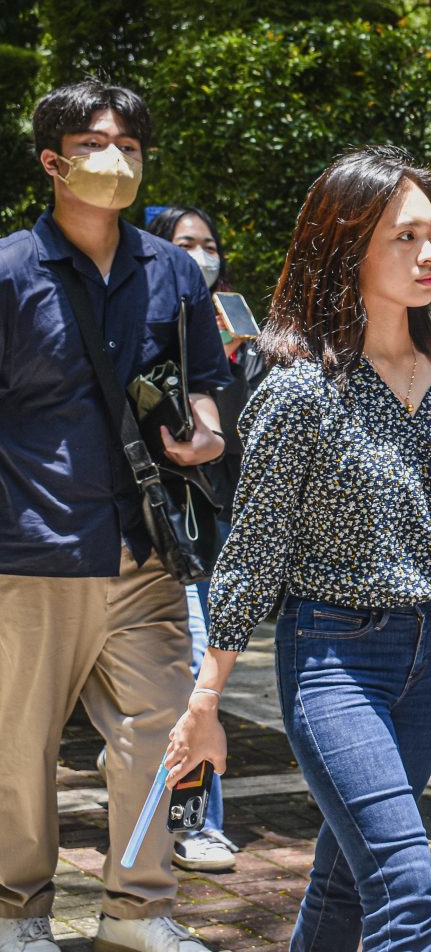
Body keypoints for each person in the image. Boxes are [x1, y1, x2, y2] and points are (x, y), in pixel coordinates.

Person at [161, 146, 431, 952]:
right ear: (349, 246)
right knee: (406, 894)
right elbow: (254, 551)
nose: (430, 253)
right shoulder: (301, 389)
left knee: (344, 887)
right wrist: (205, 703)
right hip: (336, 659)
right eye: (404, 236)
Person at [0, 81, 228, 952]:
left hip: (145, 550)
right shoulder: (11, 271)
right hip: (32, 549)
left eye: (132, 145)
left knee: (160, 734)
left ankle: (138, 910)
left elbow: (205, 378)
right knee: (19, 750)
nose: (117, 159)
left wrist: (203, 433)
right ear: (52, 160)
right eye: (97, 142)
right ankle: (17, 912)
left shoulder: (169, 268)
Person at [144, 205, 258, 873]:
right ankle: (192, 822)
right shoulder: (143, 325)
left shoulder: (247, 337)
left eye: (209, 245)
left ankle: (151, 779)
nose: (200, 255)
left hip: (223, 528)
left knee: (204, 675)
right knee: (190, 679)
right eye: (185, 244)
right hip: (159, 526)